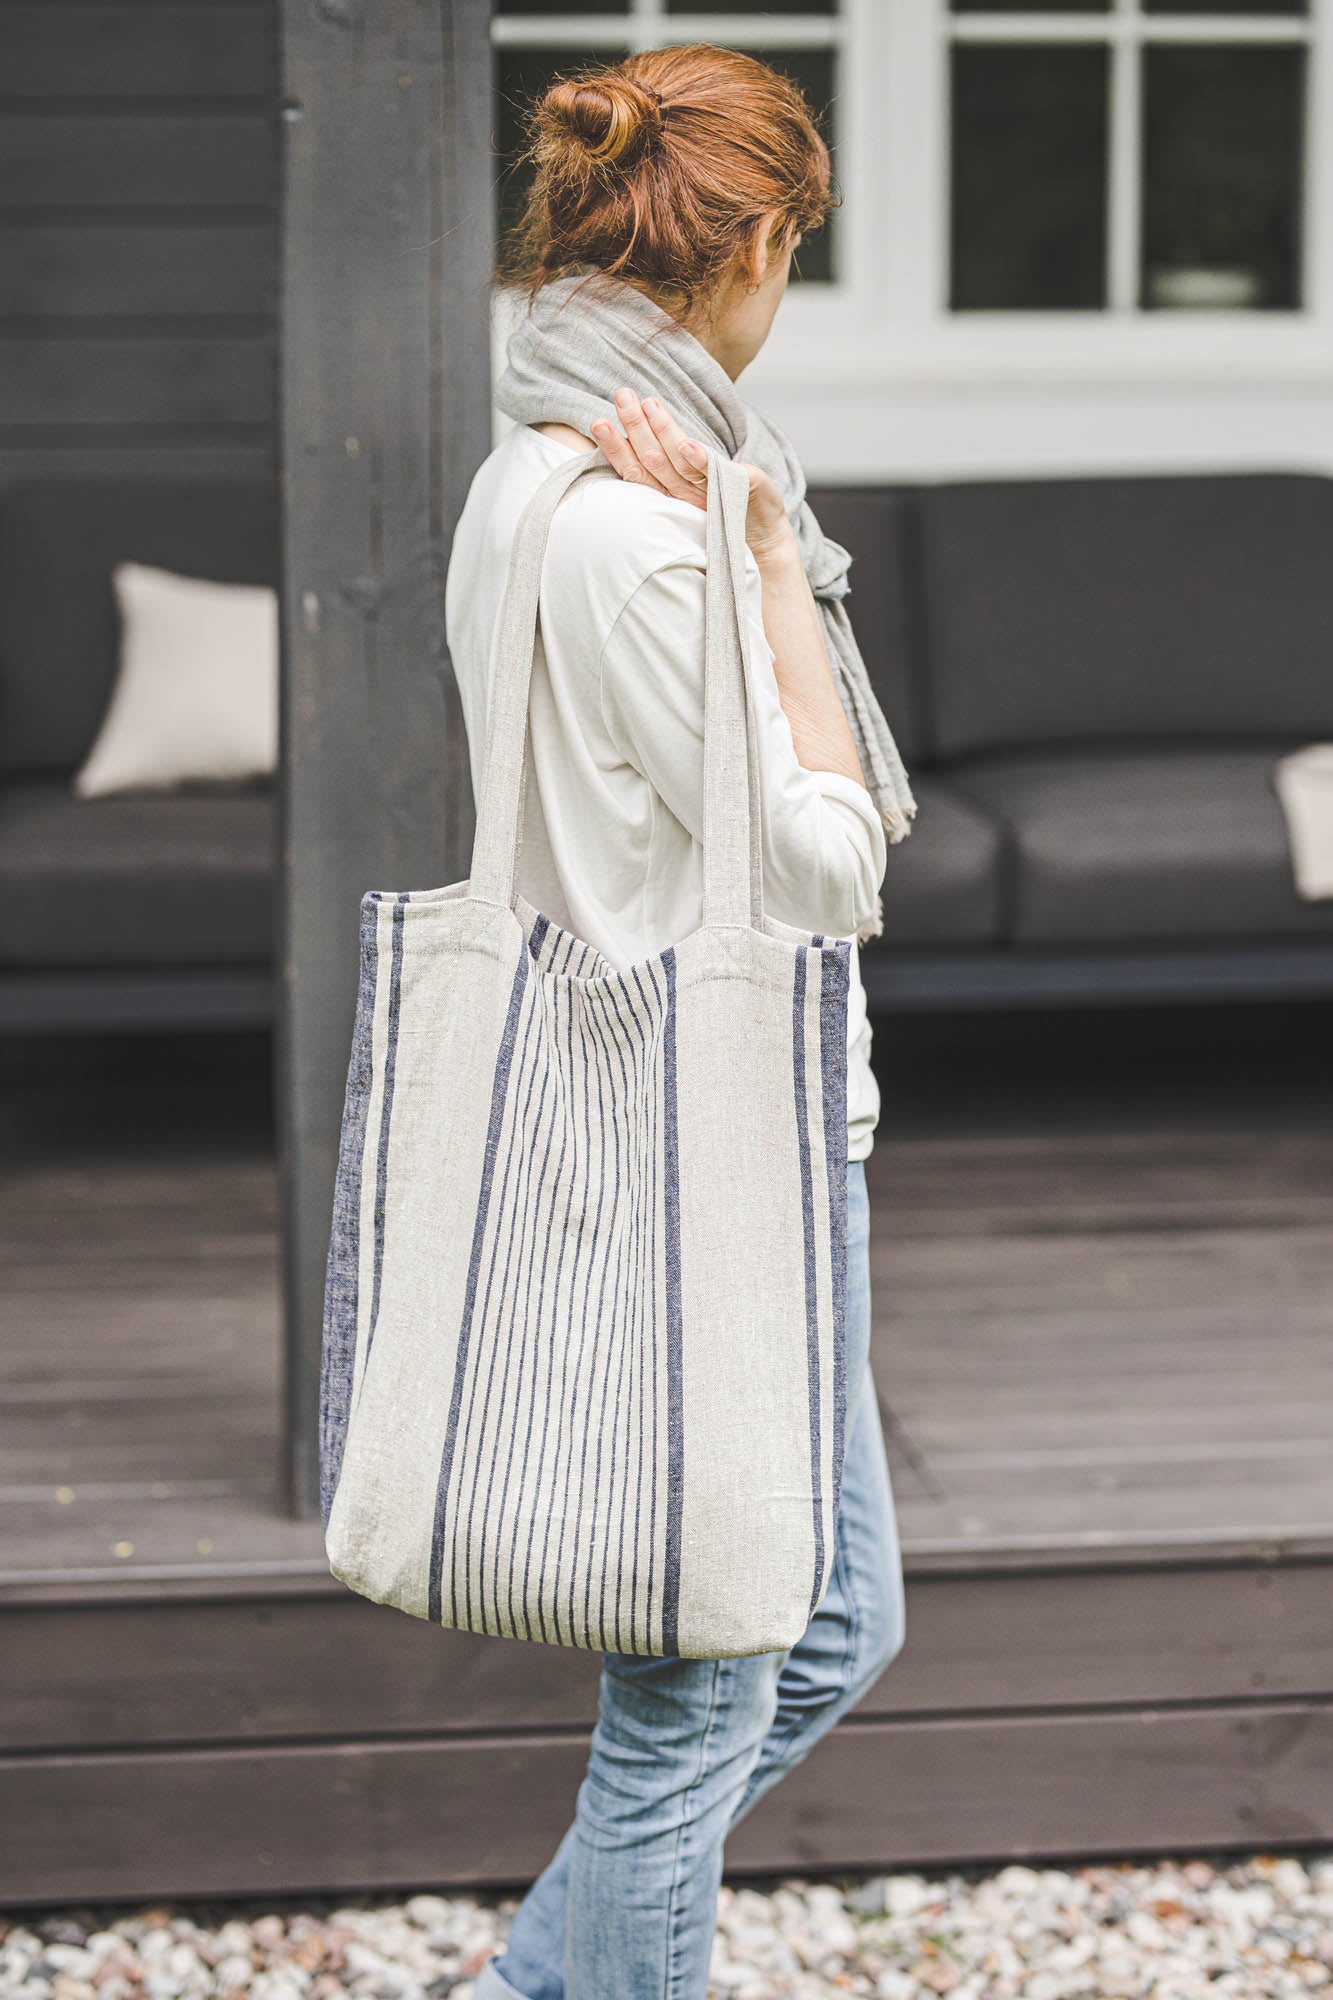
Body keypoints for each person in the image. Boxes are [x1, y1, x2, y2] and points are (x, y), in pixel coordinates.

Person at [444, 42, 909, 2000]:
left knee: (830, 1625)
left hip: (737, 1140)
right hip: (696, 1153)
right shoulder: (640, 528)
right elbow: (830, 861)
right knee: (690, 1708)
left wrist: (745, 539)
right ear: (757, 245)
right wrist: (767, 582)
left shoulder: (530, 471)